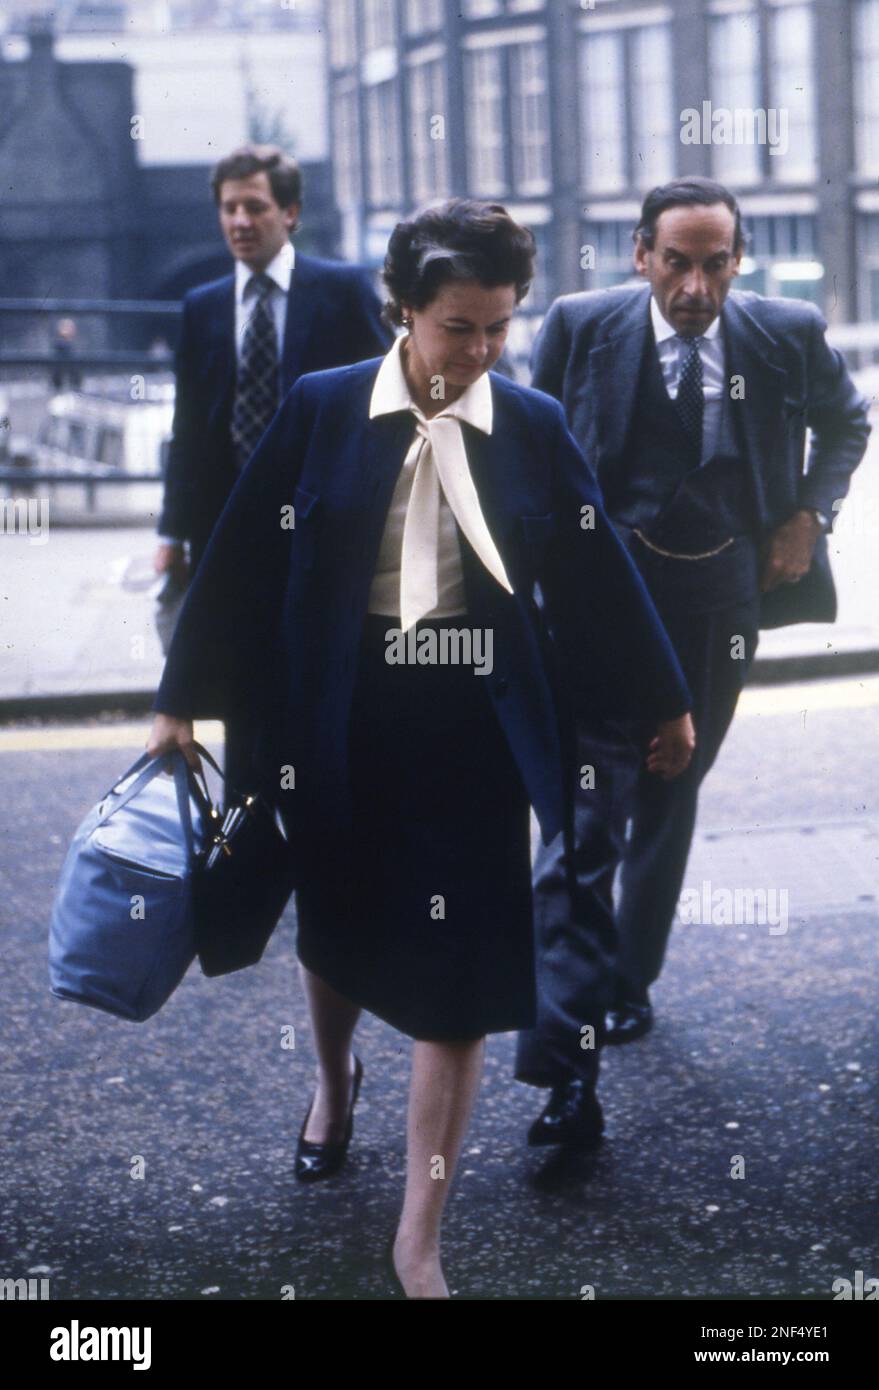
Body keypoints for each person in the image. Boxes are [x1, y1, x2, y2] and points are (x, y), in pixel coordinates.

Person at [146, 199, 694, 1299]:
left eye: (498, 327)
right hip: (335, 719)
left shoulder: (529, 424)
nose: (479, 352)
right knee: (337, 928)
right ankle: (336, 1087)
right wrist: (182, 699)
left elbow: (595, 574)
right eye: (458, 328)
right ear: (403, 311)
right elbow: (246, 560)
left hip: (475, 735)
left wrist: (660, 698)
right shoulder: (321, 408)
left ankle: (419, 1235)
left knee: (461, 985)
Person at [516, 177, 871, 1147]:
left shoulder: (786, 333)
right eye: (677, 261)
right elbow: (526, 443)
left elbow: (848, 421)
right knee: (587, 808)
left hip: (720, 600)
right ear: (641, 256)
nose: (696, 285)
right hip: (600, 597)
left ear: (738, 263)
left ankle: (630, 978)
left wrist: (808, 511)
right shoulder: (581, 326)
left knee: (676, 785)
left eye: (716, 264)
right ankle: (566, 1037)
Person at [154, 143, 391, 795]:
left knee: (324, 687)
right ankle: (250, 831)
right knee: (245, 696)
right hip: (233, 534)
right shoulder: (202, 306)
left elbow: (382, 401)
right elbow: (190, 429)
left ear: (288, 213)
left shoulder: (339, 289)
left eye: (254, 207)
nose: (239, 221)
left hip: (321, 529)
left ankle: (327, 829)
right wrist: (171, 534)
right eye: (228, 208)